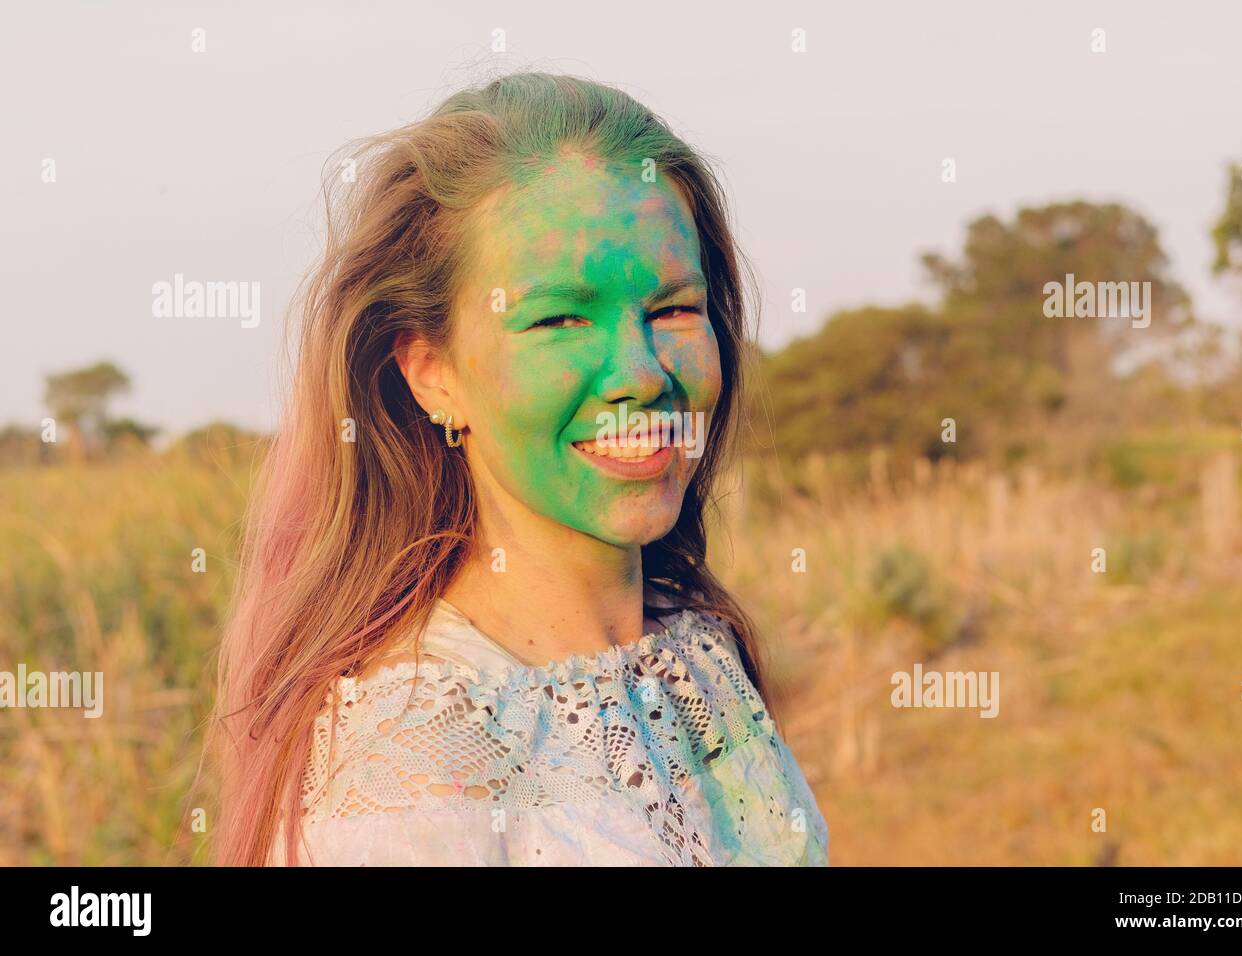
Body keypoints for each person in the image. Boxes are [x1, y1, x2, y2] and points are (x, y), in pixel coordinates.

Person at [213, 71, 830, 866]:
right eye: (560, 319)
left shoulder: (694, 646)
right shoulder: (413, 765)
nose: (642, 373)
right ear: (434, 373)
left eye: (673, 308)